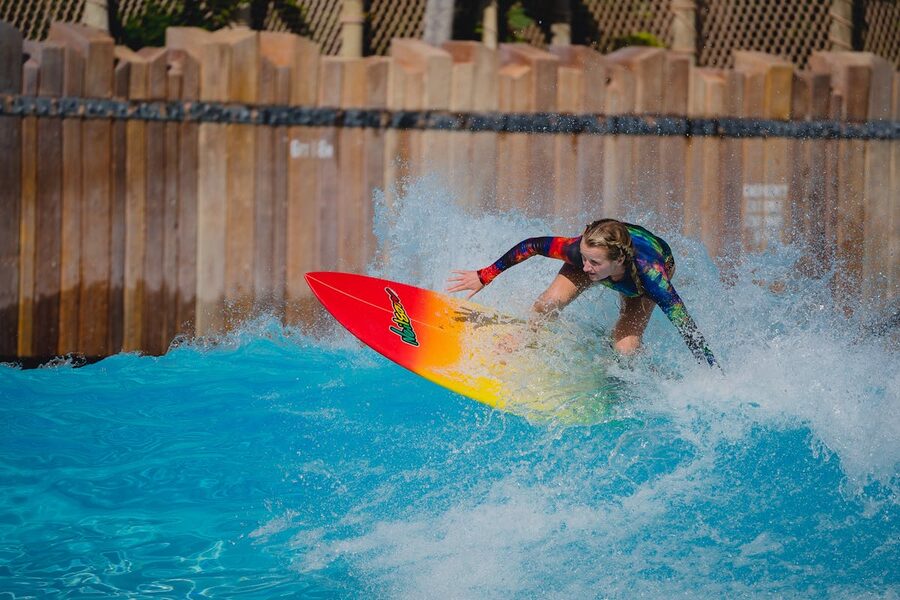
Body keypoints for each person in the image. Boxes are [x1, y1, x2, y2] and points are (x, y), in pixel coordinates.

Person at [447, 218, 719, 368]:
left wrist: (714, 375)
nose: (584, 267)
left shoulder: (652, 278)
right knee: (548, 303)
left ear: (618, 262)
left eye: (593, 263)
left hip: (643, 278)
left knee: (625, 350)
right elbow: (530, 245)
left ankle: (646, 378)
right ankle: (524, 336)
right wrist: (485, 275)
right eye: (584, 258)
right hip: (613, 252)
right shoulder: (583, 254)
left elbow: (687, 327)